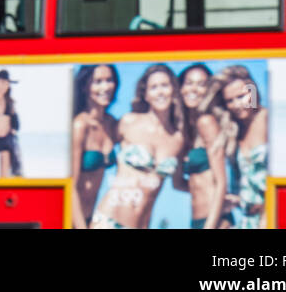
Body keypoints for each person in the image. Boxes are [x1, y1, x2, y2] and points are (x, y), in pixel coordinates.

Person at [91, 63, 185, 230]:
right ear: (146, 95)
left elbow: (178, 183)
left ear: (174, 91)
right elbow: (98, 146)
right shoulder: (129, 122)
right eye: (154, 87)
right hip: (108, 221)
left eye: (165, 85)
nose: (160, 92)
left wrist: (218, 194)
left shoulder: (177, 139)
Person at [214, 64, 268, 229]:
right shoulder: (235, 133)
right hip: (248, 220)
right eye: (230, 100)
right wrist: (240, 200)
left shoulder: (266, 119)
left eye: (241, 96)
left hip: (271, 218)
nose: (237, 104)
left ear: (253, 90)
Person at [177, 63, 230, 230]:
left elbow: (221, 182)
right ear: (180, 88)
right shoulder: (186, 130)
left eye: (201, 85)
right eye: (189, 83)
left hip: (216, 222)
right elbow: (178, 183)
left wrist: (210, 225)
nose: (194, 89)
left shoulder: (207, 122)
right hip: (197, 221)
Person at [71, 64, 119, 229]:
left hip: (94, 218)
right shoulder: (80, 125)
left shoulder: (111, 124)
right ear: (85, 86)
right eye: (97, 81)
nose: (105, 87)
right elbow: (71, 185)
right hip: (72, 220)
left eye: (109, 80)